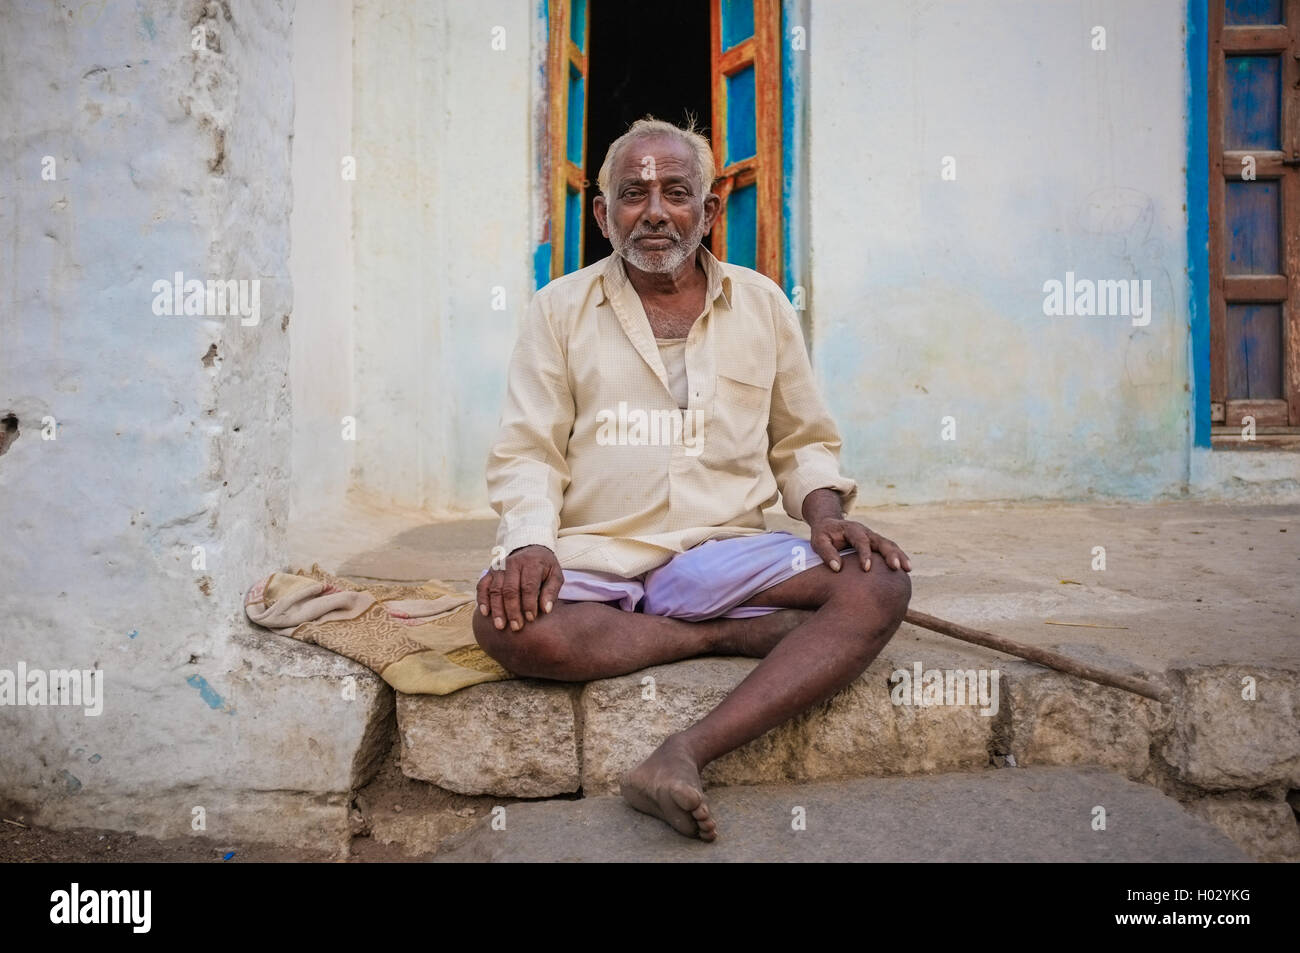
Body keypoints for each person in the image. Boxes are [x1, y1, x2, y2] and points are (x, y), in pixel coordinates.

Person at [475, 117, 911, 841]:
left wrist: (826, 513)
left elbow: (801, 437)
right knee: (501, 621)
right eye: (632, 193)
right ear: (602, 212)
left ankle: (683, 750)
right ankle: (715, 638)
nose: (653, 212)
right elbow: (529, 450)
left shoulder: (762, 303)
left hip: (721, 552)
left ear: (708, 211)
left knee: (880, 581)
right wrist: (528, 544)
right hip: (602, 551)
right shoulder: (559, 308)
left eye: (676, 192)